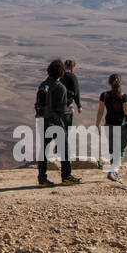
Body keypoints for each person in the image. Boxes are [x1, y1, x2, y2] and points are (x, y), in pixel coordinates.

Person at [35, 59, 80, 187]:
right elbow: (62, 110)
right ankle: (66, 176)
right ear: (61, 72)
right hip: (57, 123)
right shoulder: (61, 88)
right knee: (64, 150)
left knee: (44, 150)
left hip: (43, 121)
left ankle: (42, 179)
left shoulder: (43, 84)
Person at [95, 73, 127, 181]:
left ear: (109, 83)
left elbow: (100, 111)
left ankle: (113, 171)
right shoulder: (124, 96)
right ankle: (113, 172)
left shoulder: (104, 95)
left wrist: (97, 125)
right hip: (121, 127)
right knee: (120, 151)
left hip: (108, 125)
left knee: (111, 150)